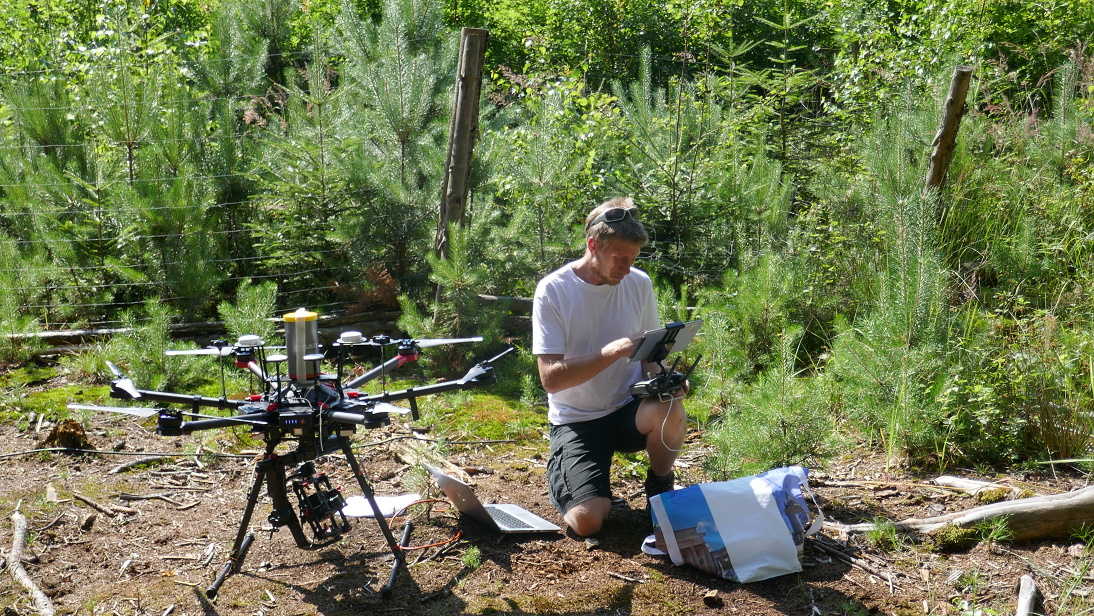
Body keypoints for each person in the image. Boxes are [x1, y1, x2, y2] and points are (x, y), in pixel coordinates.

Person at [532, 197, 687, 537]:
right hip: (577, 420)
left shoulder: (638, 283)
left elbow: (648, 356)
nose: (627, 268)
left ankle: (660, 486)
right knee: (587, 523)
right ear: (593, 245)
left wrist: (664, 380)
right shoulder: (554, 290)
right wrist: (613, 351)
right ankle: (574, 475)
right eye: (619, 258)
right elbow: (551, 379)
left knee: (672, 406)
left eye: (633, 259)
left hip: (627, 409)